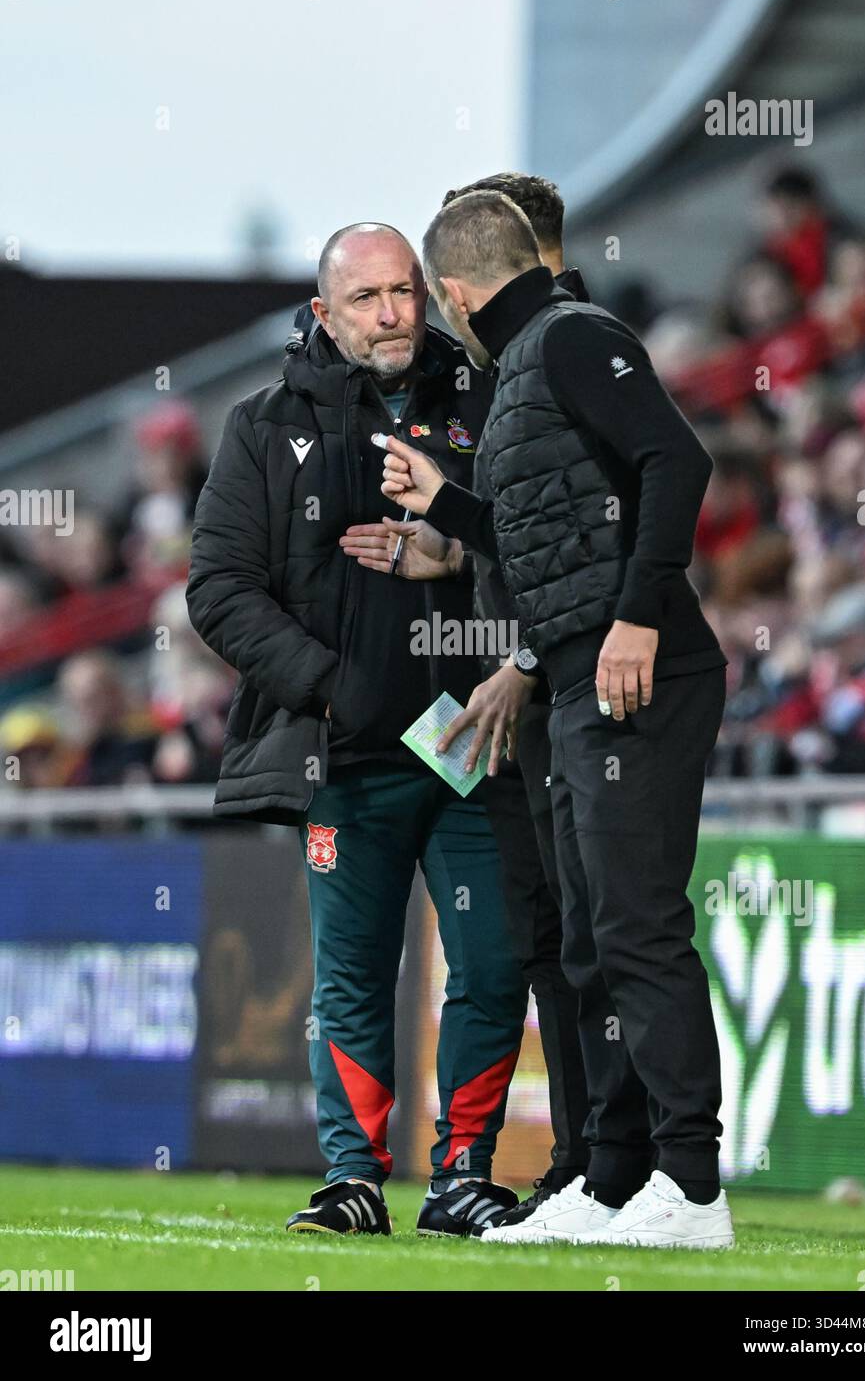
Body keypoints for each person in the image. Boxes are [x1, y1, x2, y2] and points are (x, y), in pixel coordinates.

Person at [380, 190, 735, 1248]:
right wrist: (442, 501)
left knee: (634, 924)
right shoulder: (528, 361)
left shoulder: (573, 337)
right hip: (582, 675)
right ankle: (612, 1174)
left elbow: (680, 461)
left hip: (639, 669)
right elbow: (539, 531)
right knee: (585, 936)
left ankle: (693, 1183)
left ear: (450, 294)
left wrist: (634, 619)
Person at [186, 222, 527, 1237]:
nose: (391, 314)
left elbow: (538, 548)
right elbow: (219, 590)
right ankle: (354, 1178)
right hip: (345, 748)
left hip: (473, 735)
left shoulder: (486, 396)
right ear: (323, 309)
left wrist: (456, 556)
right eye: (368, 296)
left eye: (404, 290)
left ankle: (463, 1172)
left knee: (496, 959)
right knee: (351, 973)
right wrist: (334, 688)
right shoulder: (261, 423)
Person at [349, 173, 593, 1226]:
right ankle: (586, 1158)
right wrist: (448, 551)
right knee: (550, 941)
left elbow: (588, 536)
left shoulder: (562, 355)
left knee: (589, 938)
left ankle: (613, 1160)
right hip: (512, 707)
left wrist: (526, 657)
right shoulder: (519, 365)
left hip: (561, 690)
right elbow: (521, 535)